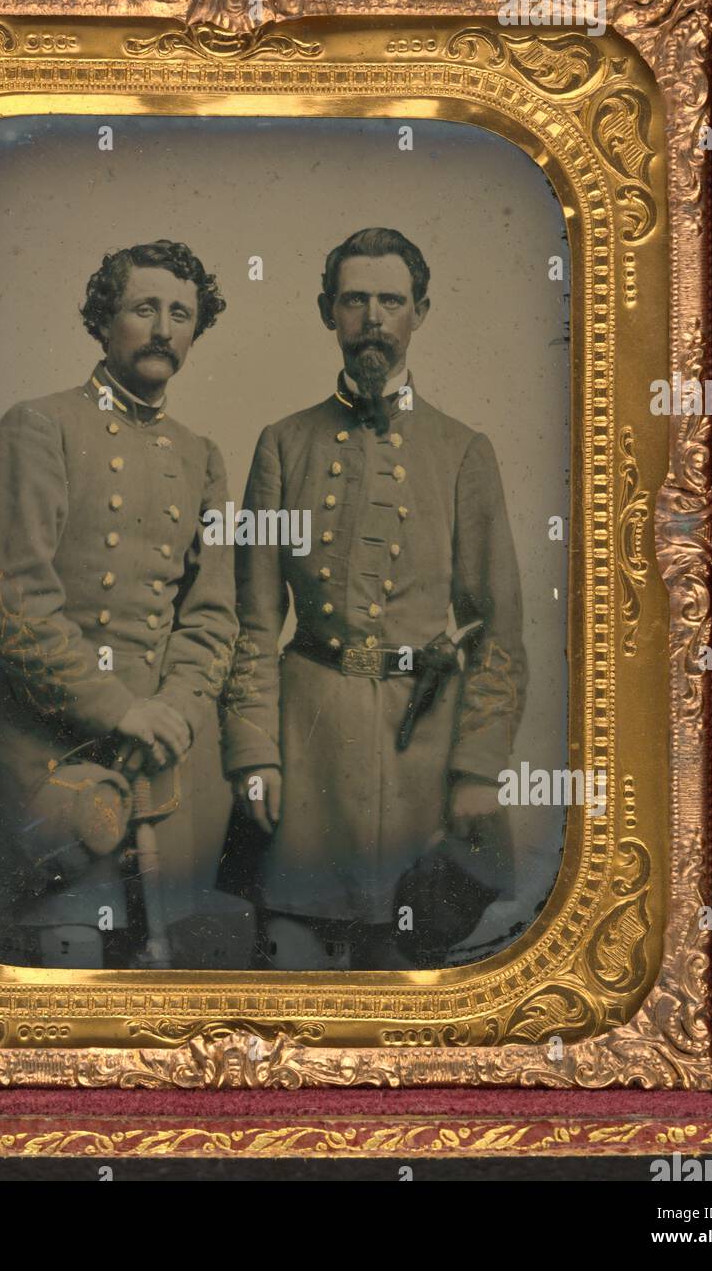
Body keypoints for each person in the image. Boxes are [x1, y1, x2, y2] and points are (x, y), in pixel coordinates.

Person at [219, 227, 528, 969]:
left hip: (420, 748)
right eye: (354, 300)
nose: (372, 318)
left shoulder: (461, 451)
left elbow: (497, 633)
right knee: (292, 974)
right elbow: (254, 624)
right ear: (327, 311)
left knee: (408, 985)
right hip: (306, 740)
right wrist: (252, 753)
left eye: (390, 300)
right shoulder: (282, 445)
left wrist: (476, 771)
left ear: (419, 311)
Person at [0, 240, 238, 967]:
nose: (163, 328)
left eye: (181, 314)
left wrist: (174, 713)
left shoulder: (201, 457)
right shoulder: (37, 427)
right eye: (144, 309)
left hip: (156, 779)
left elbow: (212, 614)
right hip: (44, 773)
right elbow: (6, 604)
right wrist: (118, 709)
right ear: (104, 321)